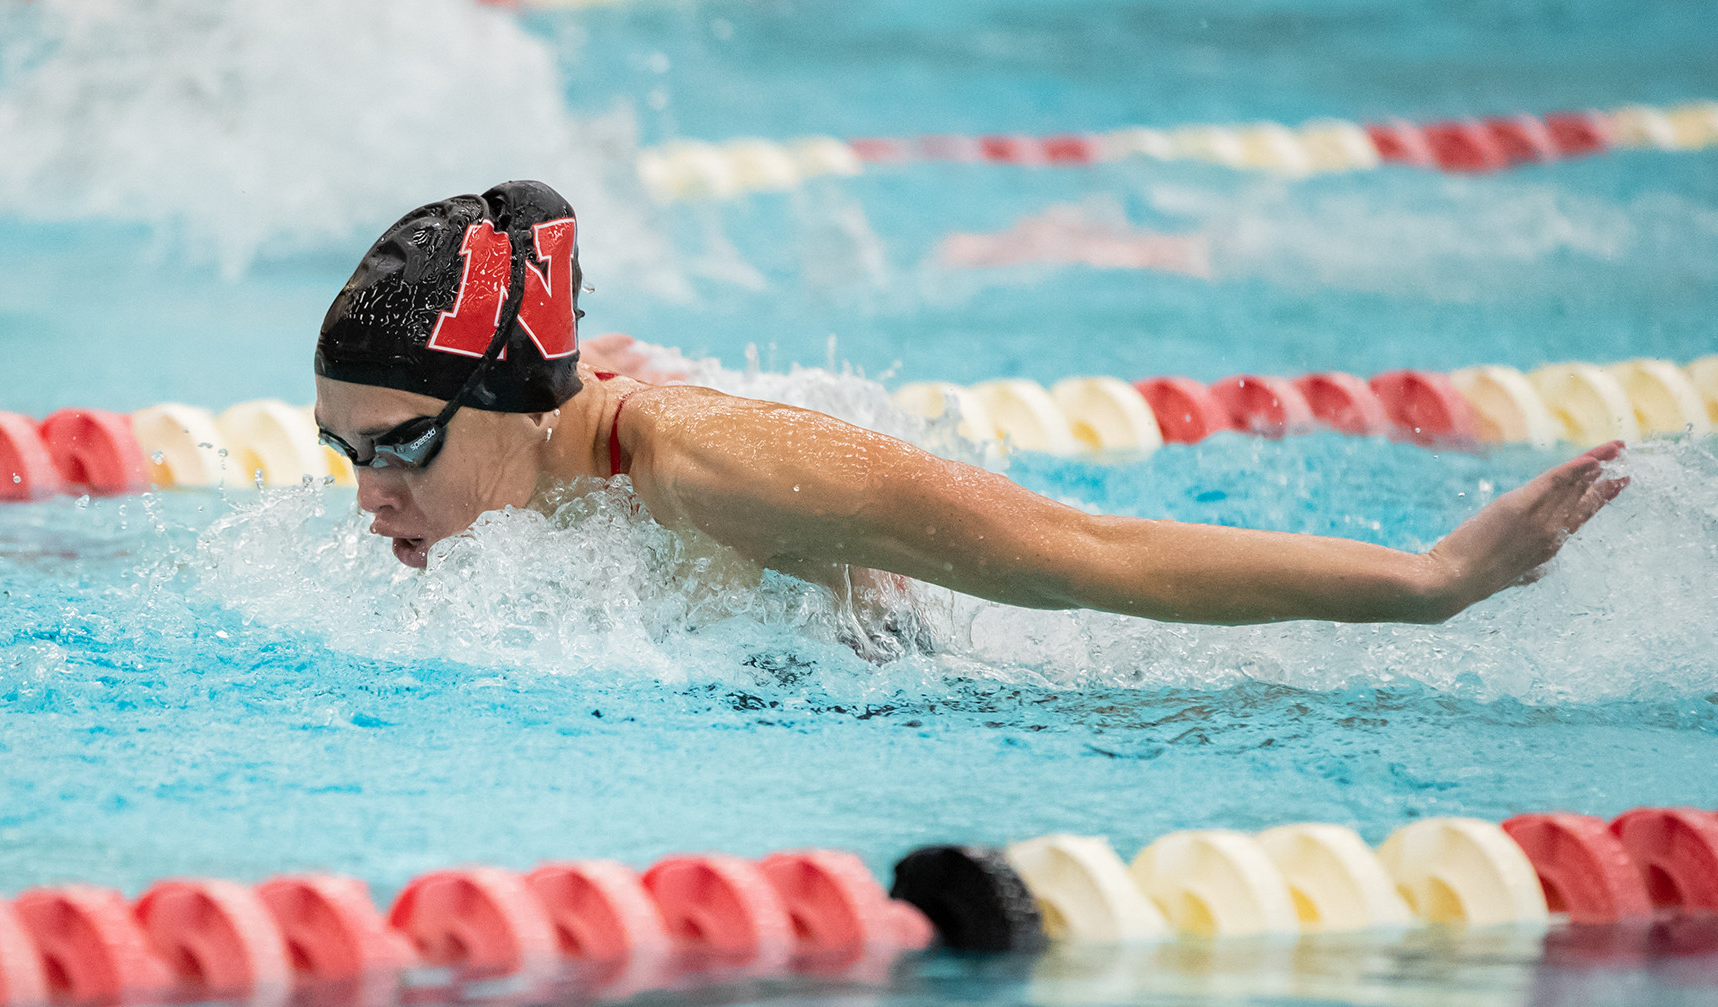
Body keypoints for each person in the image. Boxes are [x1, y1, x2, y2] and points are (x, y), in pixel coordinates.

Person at [314, 181, 1624, 627]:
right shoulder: (531, 440)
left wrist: (1433, 580)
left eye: (400, 446)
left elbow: (1078, 552)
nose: (370, 494)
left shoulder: (713, 465)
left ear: (508, 405)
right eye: (342, 449)